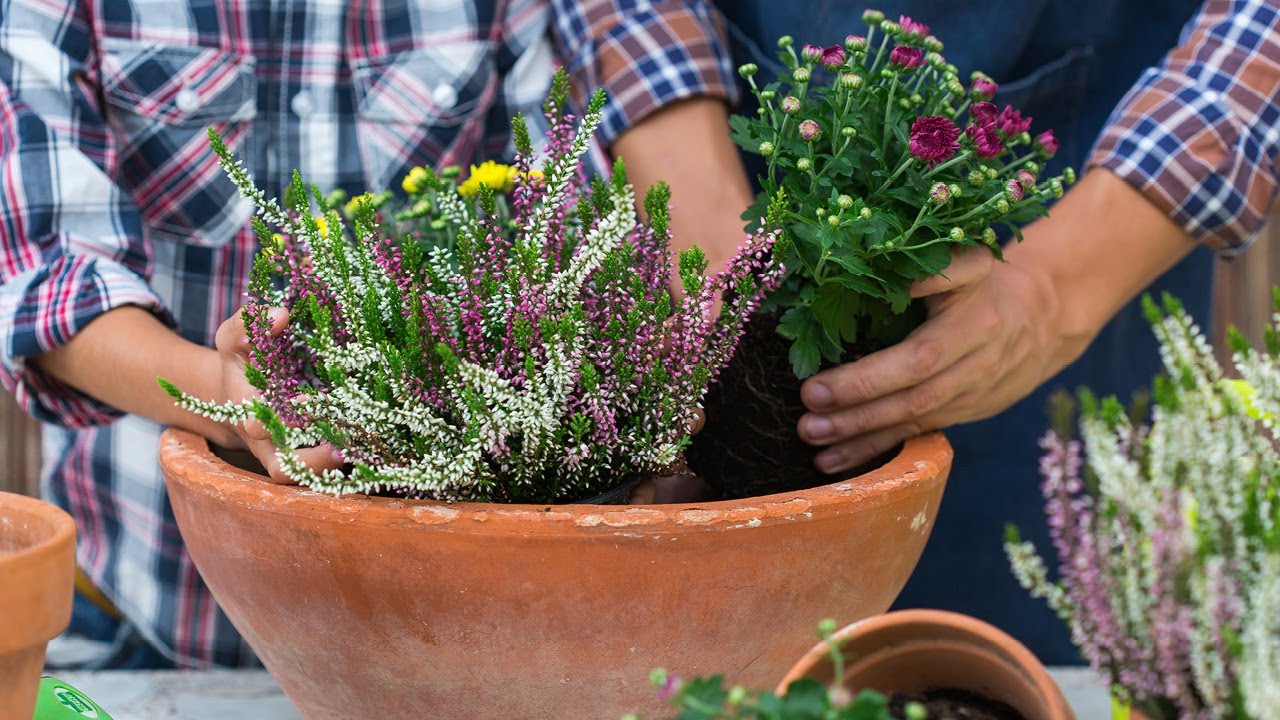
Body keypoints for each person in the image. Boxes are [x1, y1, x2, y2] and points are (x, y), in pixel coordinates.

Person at [0, 0, 748, 668]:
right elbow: (49, 280)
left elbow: (556, 219)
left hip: (445, 628)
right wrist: (227, 396)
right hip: (155, 612)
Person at [714, 0, 1280, 662]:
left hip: (1097, 211)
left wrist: (1053, 289)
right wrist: (690, 188)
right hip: (739, 157)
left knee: (1041, 647)